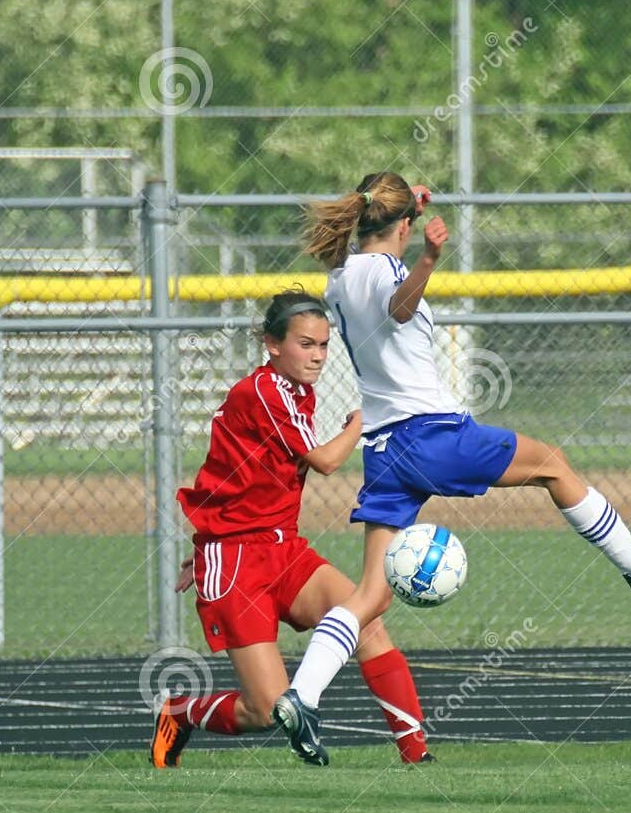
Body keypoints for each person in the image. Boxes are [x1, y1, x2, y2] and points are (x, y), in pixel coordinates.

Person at [271, 170, 631, 765]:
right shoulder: (390, 271)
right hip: (431, 434)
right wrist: (429, 258)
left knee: (370, 596)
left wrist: (406, 213)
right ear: (404, 226)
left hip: (383, 448)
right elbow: (398, 307)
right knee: (553, 465)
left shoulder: (338, 277)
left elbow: (378, 272)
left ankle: (302, 695)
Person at [151, 289, 431, 769]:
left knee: (366, 621)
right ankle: (180, 712)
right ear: (272, 344)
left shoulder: (297, 391)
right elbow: (325, 461)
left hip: (283, 549)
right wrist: (360, 424)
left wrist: (210, 537)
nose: (317, 356)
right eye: (306, 344)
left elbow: (234, 474)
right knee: (265, 710)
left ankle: (415, 754)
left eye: (323, 345)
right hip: (238, 562)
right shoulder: (262, 391)